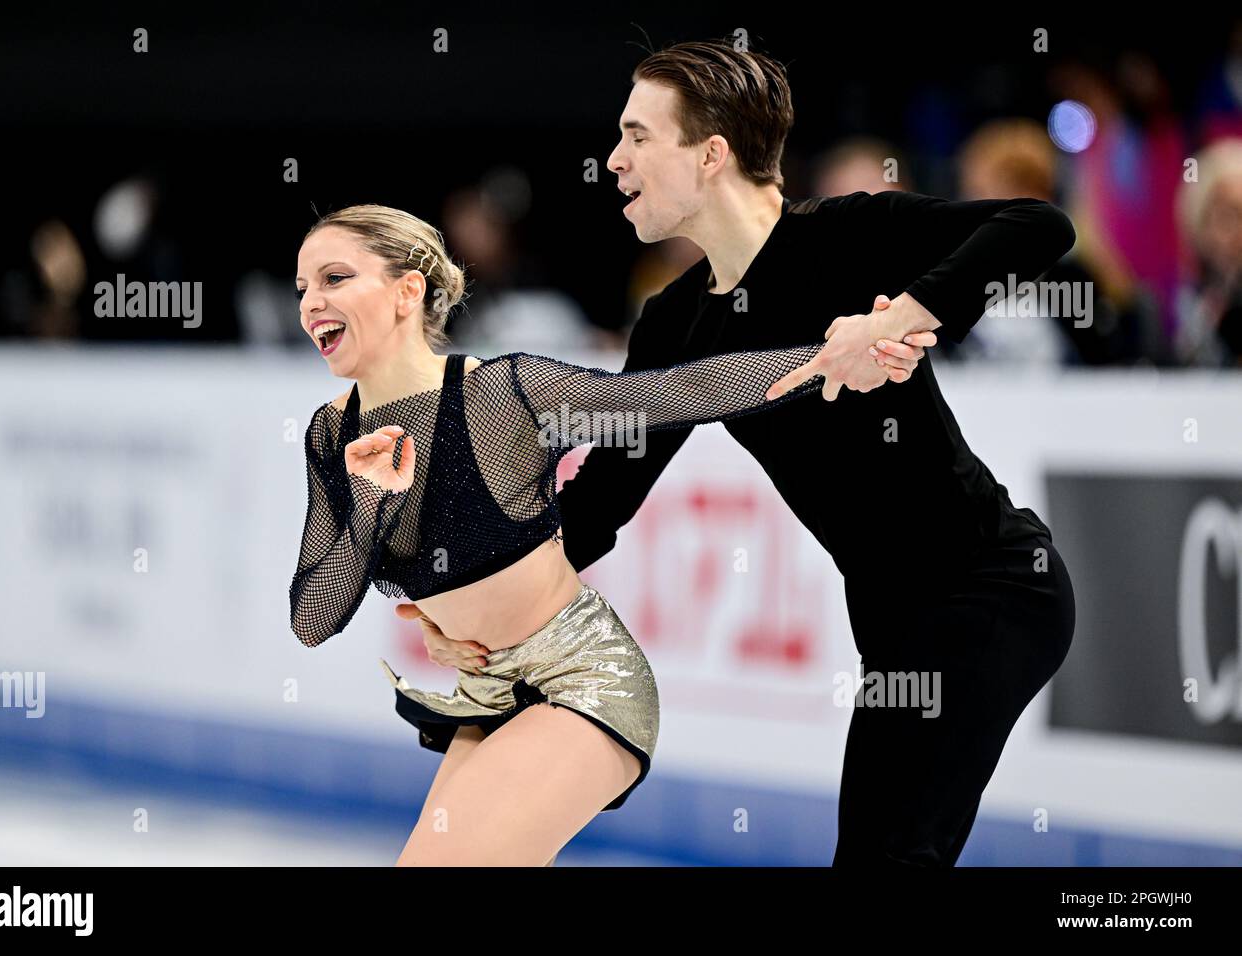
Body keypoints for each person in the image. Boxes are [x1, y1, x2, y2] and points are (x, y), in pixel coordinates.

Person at [410, 39, 1078, 867]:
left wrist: (896, 317)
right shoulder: (676, 323)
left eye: (638, 137)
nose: (614, 161)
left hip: (991, 592)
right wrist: (472, 609)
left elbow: (1038, 224)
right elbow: (599, 504)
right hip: (896, 626)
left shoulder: (847, 236)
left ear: (712, 153)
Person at [288, 204, 927, 867]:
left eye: (335, 278)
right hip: (486, 695)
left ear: (407, 291)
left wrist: (833, 359)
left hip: (583, 678)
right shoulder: (331, 434)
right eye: (303, 287)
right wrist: (368, 506)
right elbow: (312, 619)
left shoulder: (503, 393)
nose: (312, 303)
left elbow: (673, 394)